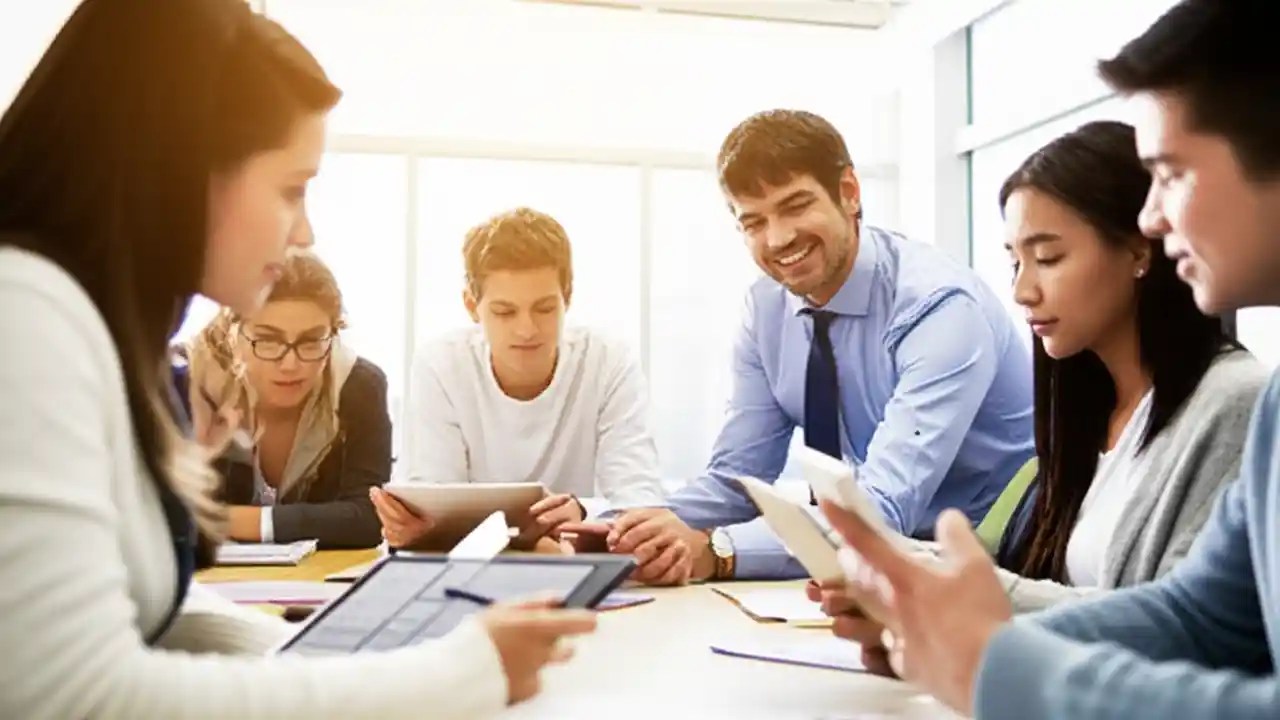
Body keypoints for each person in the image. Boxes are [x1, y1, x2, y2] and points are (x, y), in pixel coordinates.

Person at [0, 2, 594, 718]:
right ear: (182, 171)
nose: (305, 230)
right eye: (291, 189)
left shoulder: (94, 327)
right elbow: (66, 694)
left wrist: (350, 656)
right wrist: (452, 676)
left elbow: (150, 611)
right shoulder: (24, 312)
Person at [815, 2, 1280, 717]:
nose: (1153, 217)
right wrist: (943, 635)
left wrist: (994, 666)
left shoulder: (1238, 398)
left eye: (1173, 173)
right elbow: (1200, 618)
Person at [607, 109, 1036, 584]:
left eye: (795, 206)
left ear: (849, 192)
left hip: (1000, 563)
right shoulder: (767, 310)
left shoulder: (939, 307)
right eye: (754, 222)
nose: (778, 238)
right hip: (879, 566)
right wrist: (617, 532)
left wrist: (717, 549)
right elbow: (736, 482)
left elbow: (880, 508)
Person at [374, 207, 667, 550]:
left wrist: (583, 511)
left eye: (544, 309)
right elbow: (432, 498)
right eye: (504, 312)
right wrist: (411, 525)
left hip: (572, 556)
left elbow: (640, 500)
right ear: (471, 305)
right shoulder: (440, 364)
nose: (526, 329)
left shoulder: (609, 361)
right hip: (472, 563)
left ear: (568, 298)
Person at [174, 250, 390, 549]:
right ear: (232, 331)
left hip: (319, 574)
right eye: (267, 340)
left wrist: (224, 520)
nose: (290, 364)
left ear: (334, 333)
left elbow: (367, 518)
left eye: (311, 341)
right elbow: (157, 515)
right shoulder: (185, 378)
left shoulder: (358, 385)